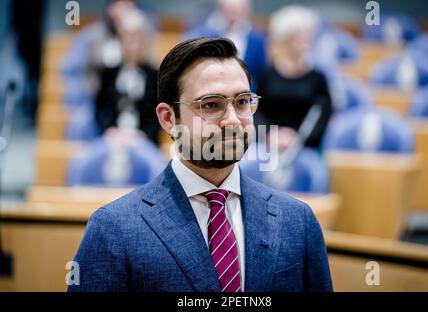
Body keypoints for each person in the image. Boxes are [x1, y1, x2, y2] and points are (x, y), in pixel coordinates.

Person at [68, 37, 333, 292]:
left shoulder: (299, 221)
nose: (232, 120)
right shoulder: (113, 229)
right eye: (210, 105)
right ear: (168, 118)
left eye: (242, 102)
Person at [256, 5, 332, 150]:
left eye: (309, 35)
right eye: (300, 36)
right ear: (286, 39)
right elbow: (257, 111)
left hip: (305, 147)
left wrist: (297, 139)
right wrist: (270, 134)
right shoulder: (267, 75)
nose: (307, 41)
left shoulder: (318, 78)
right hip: (268, 144)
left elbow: (321, 116)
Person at [95, 9, 160, 144]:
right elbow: (101, 109)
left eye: (137, 39)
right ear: (119, 40)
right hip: (111, 139)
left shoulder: (155, 76)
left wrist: (142, 134)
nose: (132, 45)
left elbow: (157, 117)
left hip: (144, 141)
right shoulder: (108, 73)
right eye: (127, 38)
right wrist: (109, 130)